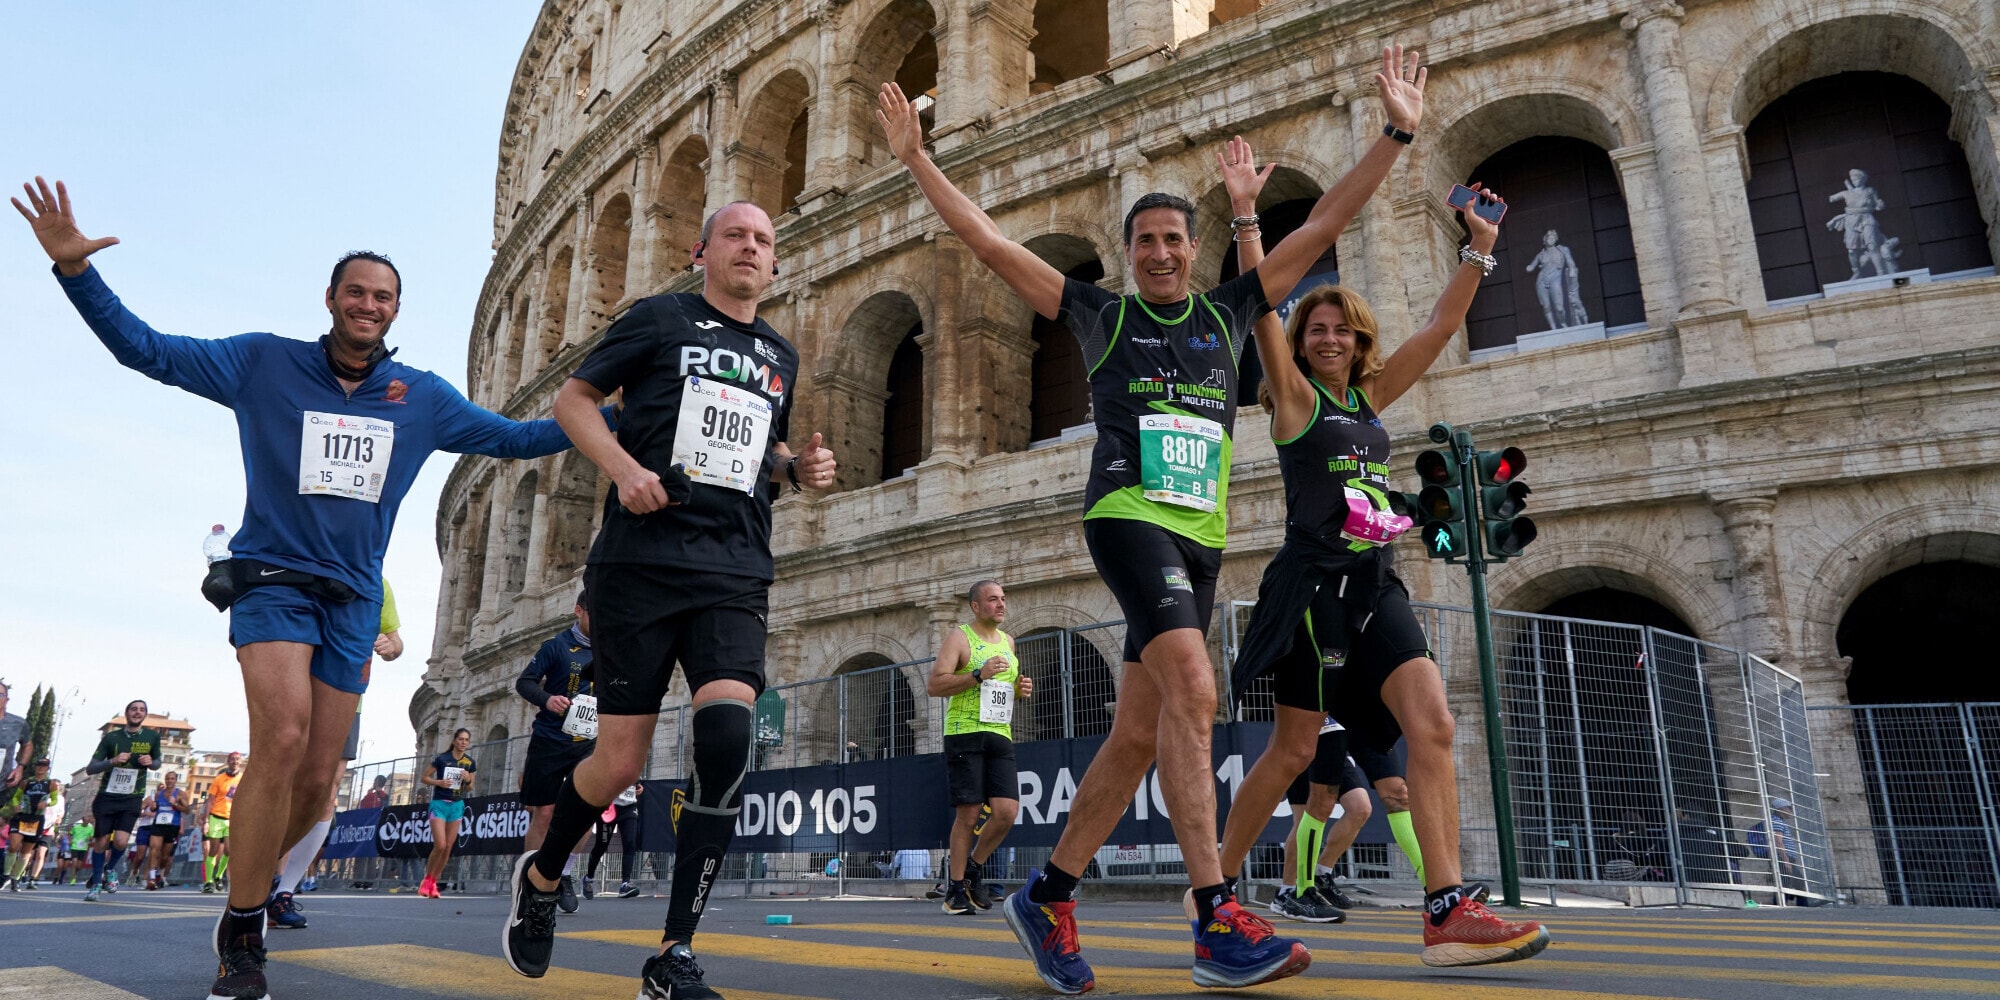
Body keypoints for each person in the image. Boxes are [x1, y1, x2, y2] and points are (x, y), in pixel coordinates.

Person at [876, 44, 1428, 995]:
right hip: (1128, 514)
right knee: (1195, 691)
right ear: (1128, 256)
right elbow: (989, 246)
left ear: (1194, 248)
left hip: (1201, 537)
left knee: (1137, 734)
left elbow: (1334, 214)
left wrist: (1394, 132)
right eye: (1148, 243)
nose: (1165, 253)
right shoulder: (1102, 318)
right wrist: (921, 160)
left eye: (1177, 239)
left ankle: (1047, 894)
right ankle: (1216, 915)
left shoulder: (1229, 311)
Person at [16, 176, 608, 1000]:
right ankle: (245, 928)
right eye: (357, 292)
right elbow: (146, 350)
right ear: (330, 298)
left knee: (318, 779)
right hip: (272, 581)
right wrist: (78, 274)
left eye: (385, 297)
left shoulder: (423, 399)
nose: (369, 305)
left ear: (395, 312)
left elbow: (521, 437)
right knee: (283, 740)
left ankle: (252, 891)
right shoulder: (263, 362)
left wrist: (613, 411)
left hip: (353, 599)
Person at [1213, 132, 1548, 967]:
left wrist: (1478, 252)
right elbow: (1260, 306)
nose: (1326, 337)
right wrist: (1247, 215)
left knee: (1432, 723)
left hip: (1376, 584)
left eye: (1340, 329)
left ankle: (1446, 908)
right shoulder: (1292, 400)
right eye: (1315, 327)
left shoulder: (1371, 398)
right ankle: (1213, 892)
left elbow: (1438, 326)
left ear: (1359, 340)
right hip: (1312, 592)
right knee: (1293, 750)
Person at [499, 198, 838, 1000]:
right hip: (640, 564)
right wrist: (624, 469)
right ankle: (542, 880)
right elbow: (574, 401)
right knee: (616, 763)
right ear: (702, 251)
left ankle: (675, 952)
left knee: (726, 739)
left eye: (763, 240)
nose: (750, 248)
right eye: (735, 236)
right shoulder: (658, 320)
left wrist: (798, 470)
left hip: (733, 566)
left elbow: (766, 450)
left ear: (775, 263)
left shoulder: (779, 354)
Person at [271, 581, 403, 927]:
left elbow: (396, 641)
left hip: (347, 698)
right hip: (294, 688)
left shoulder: (379, 584)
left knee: (326, 789)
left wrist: (390, 645)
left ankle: (284, 890)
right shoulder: (308, 566)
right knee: (285, 784)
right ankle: (264, 878)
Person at [927, 580, 1032, 915]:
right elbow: (935, 684)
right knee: (969, 814)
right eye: (992, 600)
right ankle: (955, 890)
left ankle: (973, 868)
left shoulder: (1008, 641)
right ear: (975, 606)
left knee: (1007, 812)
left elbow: (1003, 689)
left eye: (1002, 599)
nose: (1000, 605)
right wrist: (977, 673)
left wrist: (1019, 689)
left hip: (1000, 734)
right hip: (965, 733)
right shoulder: (960, 637)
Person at [515, 592, 597, 913]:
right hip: (550, 739)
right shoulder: (556, 646)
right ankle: (530, 879)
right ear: (579, 611)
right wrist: (548, 699)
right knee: (545, 813)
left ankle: (563, 874)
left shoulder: (611, 649)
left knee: (585, 813)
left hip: (587, 743)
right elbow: (525, 683)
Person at [1266, 721, 1368, 922]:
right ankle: (1286, 892)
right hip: (1303, 738)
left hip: (1335, 737)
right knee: (1304, 818)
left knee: (1360, 808)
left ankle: (1323, 872)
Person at [82, 699, 163, 901]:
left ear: (145, 715)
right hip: (107, 797)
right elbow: (91, 768)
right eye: (134, 709)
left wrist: (151, 763)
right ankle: (97, 884)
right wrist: (112, 761)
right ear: (127, 713)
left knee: (121, 841)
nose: (137, 712)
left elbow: (157, 762)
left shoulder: (152, 737)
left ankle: (110, 869)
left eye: (142, 710)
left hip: (132, 797)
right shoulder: (112, 738)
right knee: (100, 841)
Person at [420, 729, 476, 898]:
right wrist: (439, 782)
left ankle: (433, 883)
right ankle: (427, 879)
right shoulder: (442, 759)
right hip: (439, 804)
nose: (463, 742)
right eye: (460, 739)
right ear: (454, 740)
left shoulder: (470, 762)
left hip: (457, 805)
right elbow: (424, 777)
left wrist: (467, 780)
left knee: (448, 848)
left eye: (466, 740)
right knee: (440, 844)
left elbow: (470, 787)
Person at [4, 759, 56, 890]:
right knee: (13, 846)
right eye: (38, 765)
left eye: (43, 766)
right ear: (35, 767)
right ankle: (4, 875)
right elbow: (16, 797)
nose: (40, 768)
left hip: (36, 819)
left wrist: (47, 803)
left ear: (47, 768)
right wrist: (15, 805)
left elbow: (54, 800)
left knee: (25, 852)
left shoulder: (51, 784)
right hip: (21, 817)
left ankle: (15, 879)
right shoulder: (26, 782)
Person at [584, 784, 642, 899]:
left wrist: (638, 786)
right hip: (609, 807)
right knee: (601, 845)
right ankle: (588, 878)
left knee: (630, 842)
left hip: (629, 807)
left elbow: (636, 778)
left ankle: (625, 884)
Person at [142, 772, 192, 890]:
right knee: (154, 848)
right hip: (158, 824)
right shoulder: (158, 794)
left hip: (172, 826)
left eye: (172, 779)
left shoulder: (180, 794)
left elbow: (187, 811)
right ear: (165, 780)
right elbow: (151, 806)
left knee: (165, 856)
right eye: (168, 778)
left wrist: (175, 803)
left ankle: (159, 873)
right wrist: (153, 807)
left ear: (175, 780)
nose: (169, 781)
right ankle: (152, 878)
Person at [203, 752, 245, 894]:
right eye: (232, 759)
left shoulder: (243, 779)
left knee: (229, 850)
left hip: (233, 819)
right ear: (228, 761)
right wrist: (206, 820)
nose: (235, 762)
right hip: (216, 816)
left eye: (237, 760)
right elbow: (210, 800)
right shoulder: (219, 779)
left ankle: (218, 876)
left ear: (241, 762)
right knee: (213, 850)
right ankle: (208, 882)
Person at [0, 682, 30, 793]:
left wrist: (20, 767)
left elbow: (27, 745)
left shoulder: (18, 724)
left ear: (6, 700)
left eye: (0, 695)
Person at [58, 816, 93, 885]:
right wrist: (70, 840)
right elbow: (70, 834)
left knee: (79, 866)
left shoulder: (90, 828)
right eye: (86, 820)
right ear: (83, 821)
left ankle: (74, 874)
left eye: (88, 821)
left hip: (83, 848)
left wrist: (89, 838)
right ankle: (73, 878)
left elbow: (92, 837)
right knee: (74, 862)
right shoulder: (76, 827)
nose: (87, 822)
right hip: (75, 847)